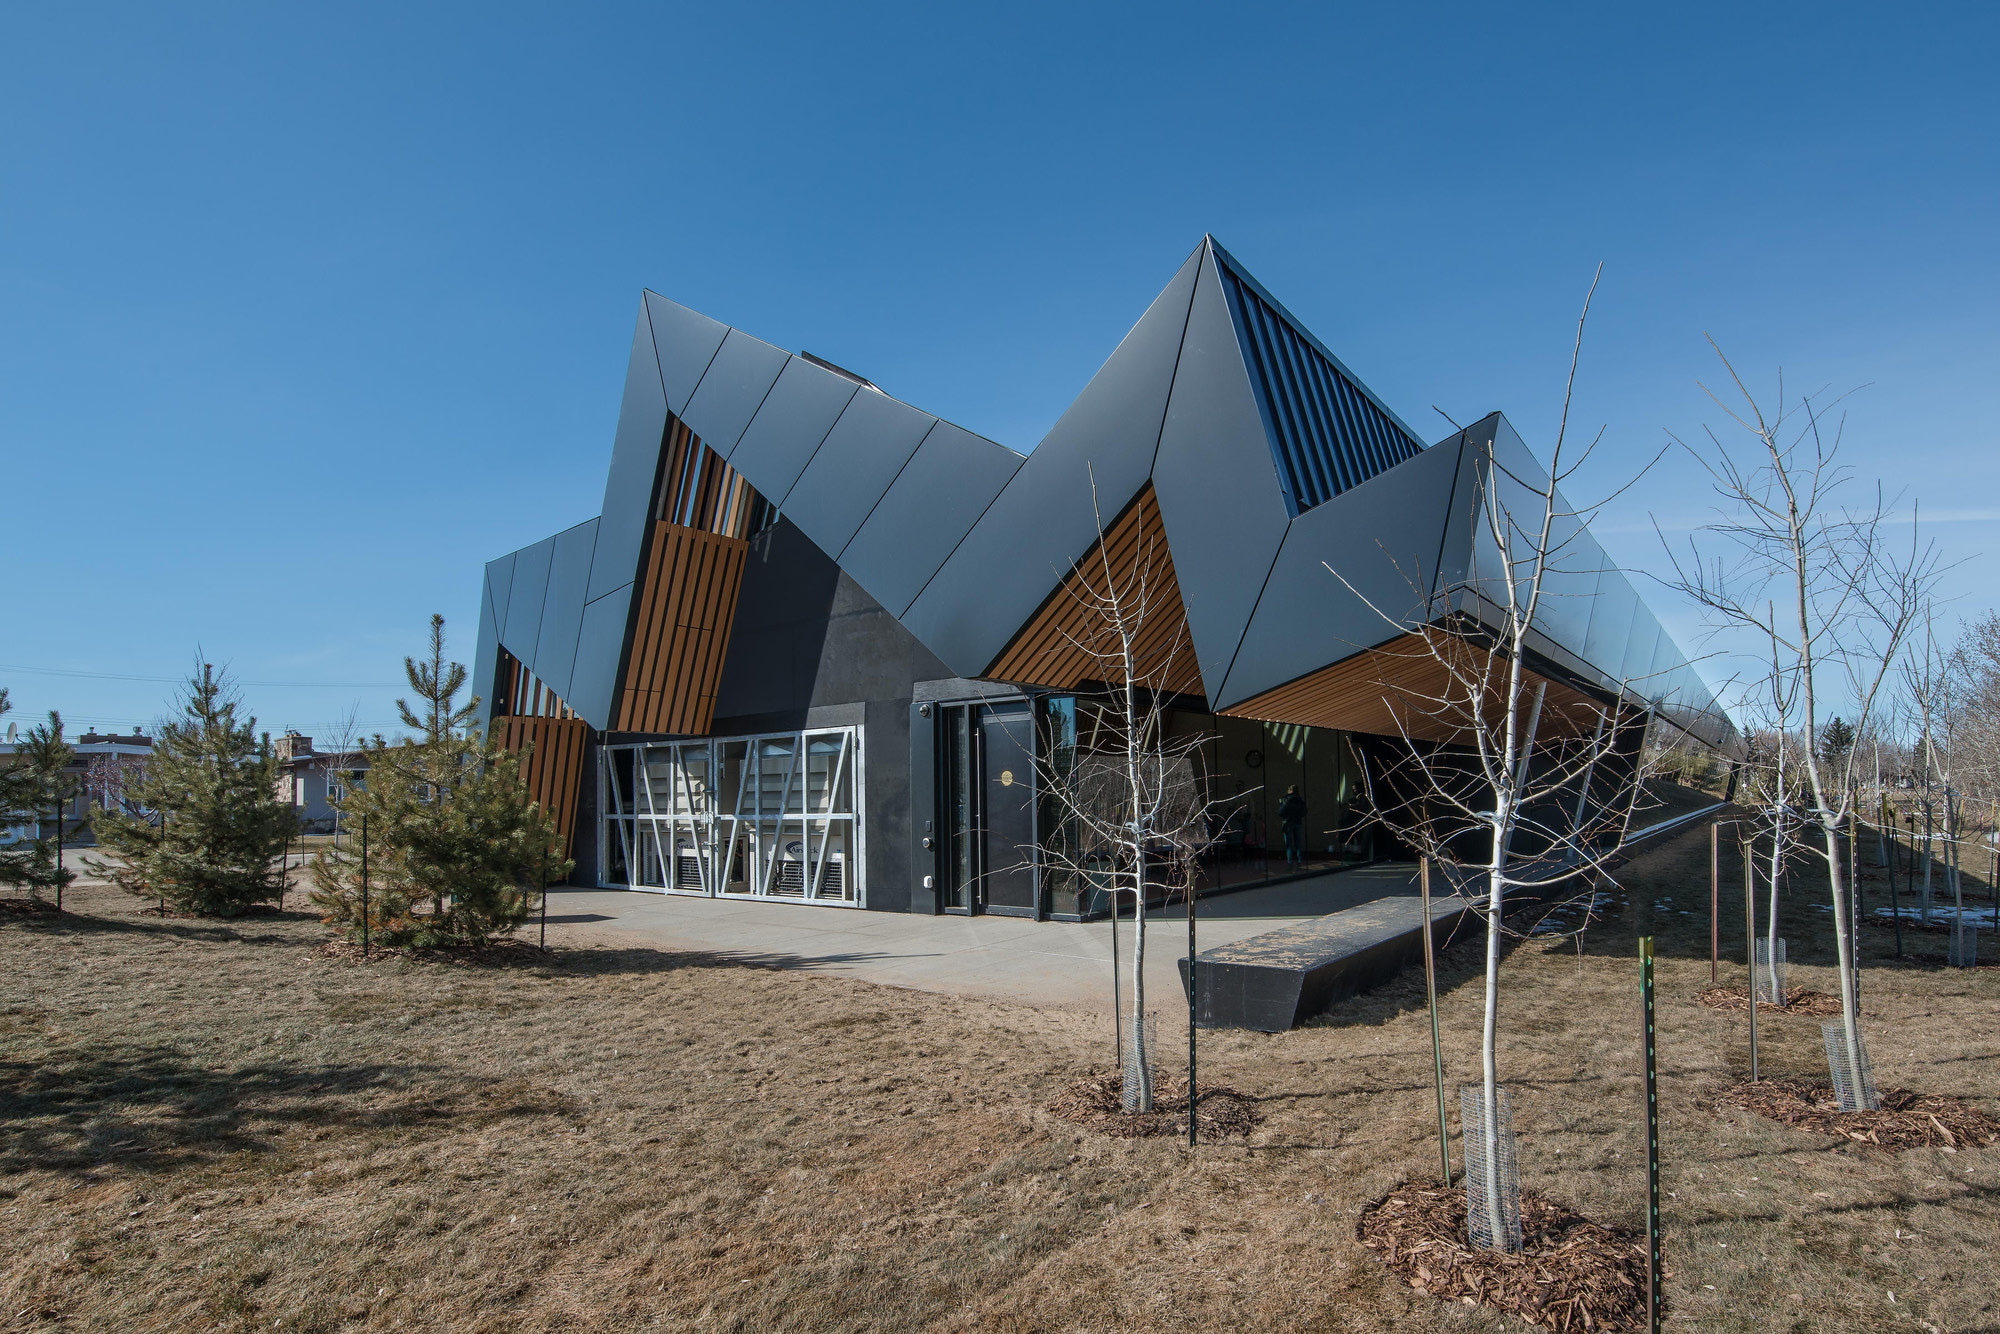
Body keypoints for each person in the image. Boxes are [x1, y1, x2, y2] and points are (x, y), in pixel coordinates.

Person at [1278, 785, 1307, 867]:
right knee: (1298, 844)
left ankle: (1290, 862)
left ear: (1290, 790)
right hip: (1298, 822)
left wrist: (1283, 804)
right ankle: (1299, 861)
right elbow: (1304, 812)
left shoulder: (1286, 799)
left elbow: (1280, 812)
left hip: (1288, 822)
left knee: (1289, 845)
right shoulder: (1300, 800)